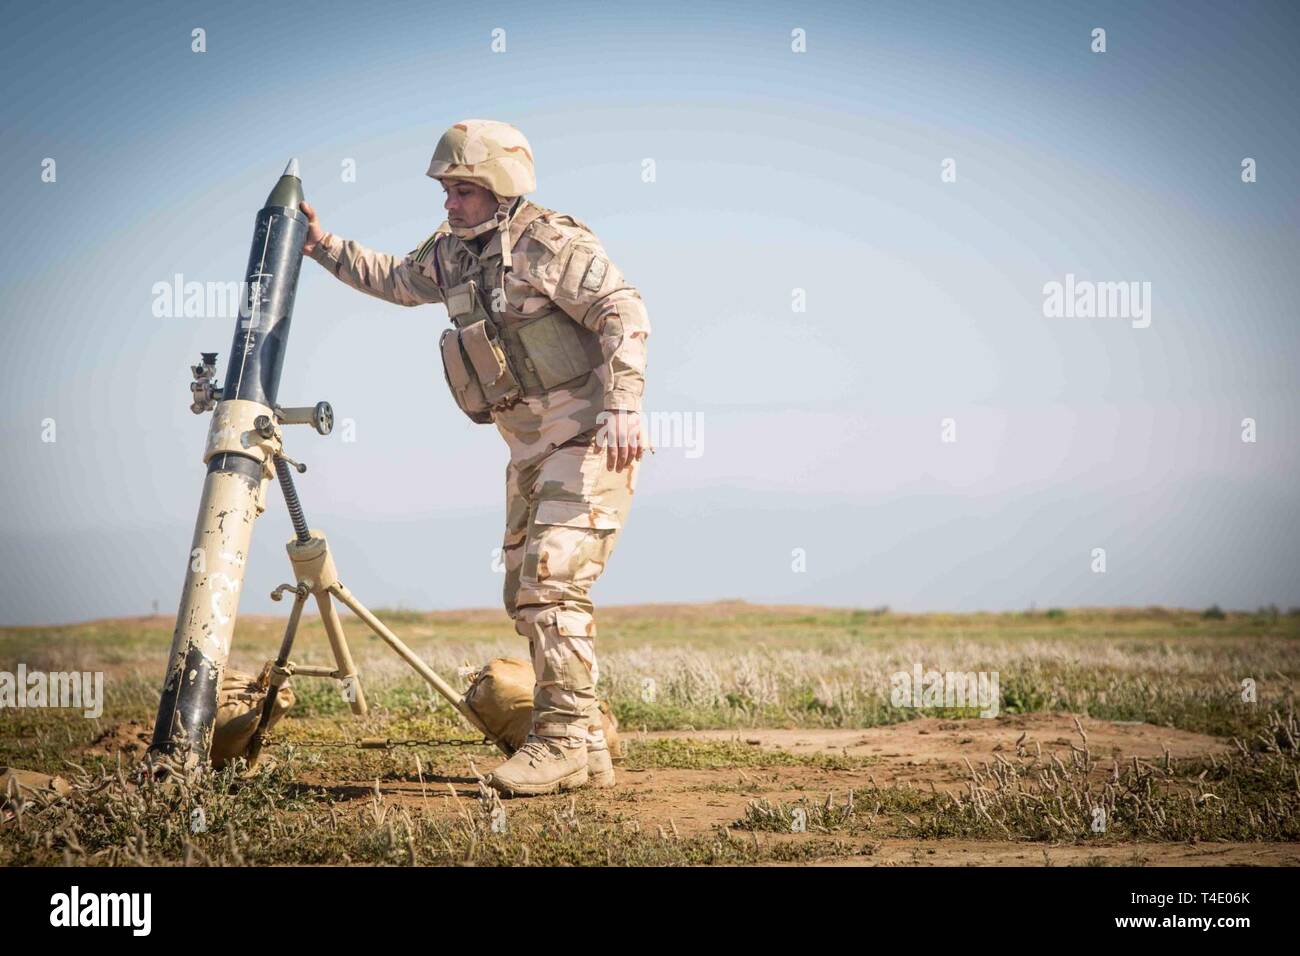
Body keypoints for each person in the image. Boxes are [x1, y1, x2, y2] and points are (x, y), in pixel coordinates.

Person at [299, 119, 650, 796]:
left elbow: (622, 310)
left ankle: (557, 746)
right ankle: (582, 749)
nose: (449, 203)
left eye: (463, 190)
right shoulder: (453, 254)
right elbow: (396, 279)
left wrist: (625, 404)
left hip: (589, 440)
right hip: (529, 451)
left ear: (501, 188)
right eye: (446, 191)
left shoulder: (552, 243)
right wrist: (321, 246)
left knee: (552, 587)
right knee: (525, 595)